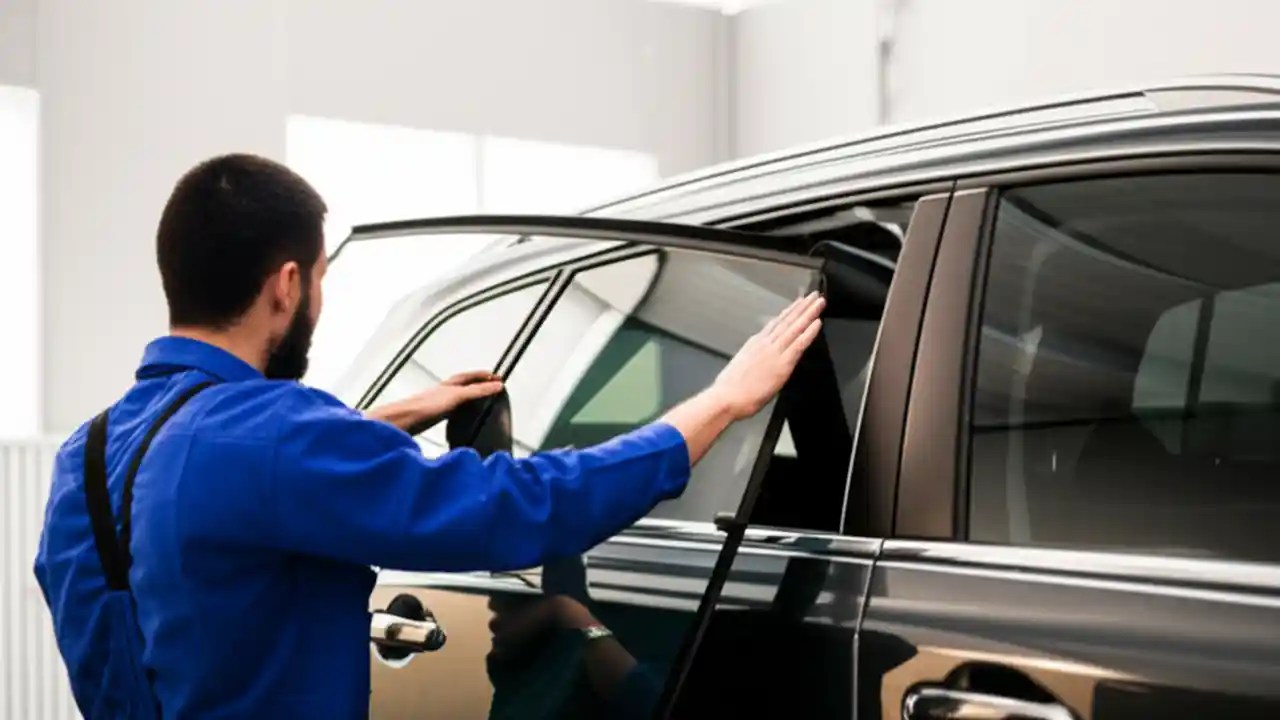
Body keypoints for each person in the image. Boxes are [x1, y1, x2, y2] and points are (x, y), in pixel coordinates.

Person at [33, 153, 825, 718]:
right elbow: (521, 508)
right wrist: (720, 401)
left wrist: (378, 423)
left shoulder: (89, 457)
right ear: (286, 285)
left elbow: (214, 487)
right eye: (318, 282)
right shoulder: (280, 441)